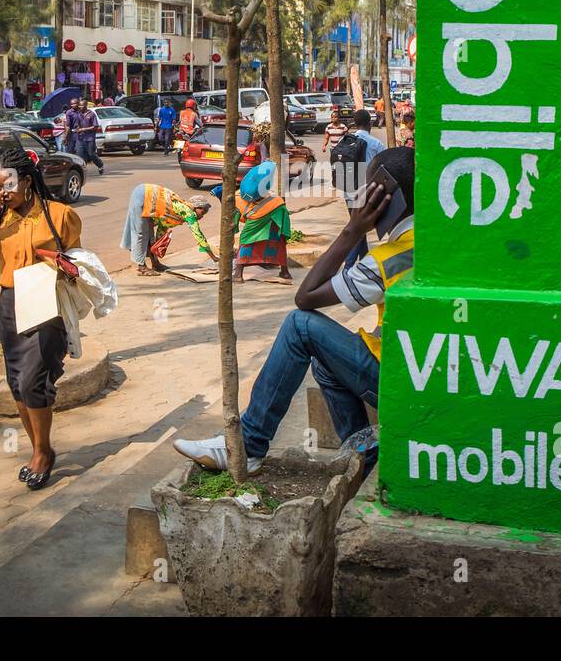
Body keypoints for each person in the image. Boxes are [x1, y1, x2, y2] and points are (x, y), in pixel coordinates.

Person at [174, 147, 415, 473]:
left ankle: (250, 442)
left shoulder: (387, 259)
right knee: (325, 361)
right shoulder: (431, 243)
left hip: (397, 380)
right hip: (420, 376)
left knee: (300, 326)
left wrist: (352, 231)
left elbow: (305, 298)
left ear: (380, 199)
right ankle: (365, 453)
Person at [0, 148, 82, 491]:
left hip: (45, 302)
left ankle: (43, 453)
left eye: (8, 184)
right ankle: (38, 446)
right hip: (9, 303)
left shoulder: (60, 214)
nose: (2, 192)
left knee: (35, 380)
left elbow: (78, 261)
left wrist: (62, 267)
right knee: (17, 382)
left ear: (28, 181)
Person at [120, 184, 217, 276]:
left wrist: (158, 245)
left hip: (146, 195)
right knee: (141, 232)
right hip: (144, 195)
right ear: (196, 207)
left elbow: (163, 225)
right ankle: (142, 268)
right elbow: (198, 235)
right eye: (203, 212)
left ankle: (155, 264)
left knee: (149, 234)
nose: (202, 216)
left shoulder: (180, 211)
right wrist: (213, 257)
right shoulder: (189, 213)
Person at [232, 161, 293, 285]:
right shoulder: (270, 195)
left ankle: (238, 274)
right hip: (277, 208)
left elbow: (233, 222)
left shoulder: (237, 198)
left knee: (245, 240)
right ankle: (285, 272)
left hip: (260, 214)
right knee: (278, 240)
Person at [341, 110, 386, 268]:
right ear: (370, 123)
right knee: (359, 231)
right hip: (366, 194)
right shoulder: (376, 144)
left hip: (348, 192)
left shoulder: (345, 141)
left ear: (354, 122)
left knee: (360, 230)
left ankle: (364, 265)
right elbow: (385, 169)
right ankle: (348, 268)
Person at [73, 98, 104, 174]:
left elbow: (95, 127)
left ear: (86, 105)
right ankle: (82, 171)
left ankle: (100, 165)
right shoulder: (78, 114)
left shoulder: (91, 114)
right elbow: (76, 125)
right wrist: (76, 128)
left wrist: (83, 129)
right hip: (80, 139)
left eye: (82, 105)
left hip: (89, 138)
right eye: (79, 105)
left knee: (91, 154)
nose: (80, 107)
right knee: (80, 156)